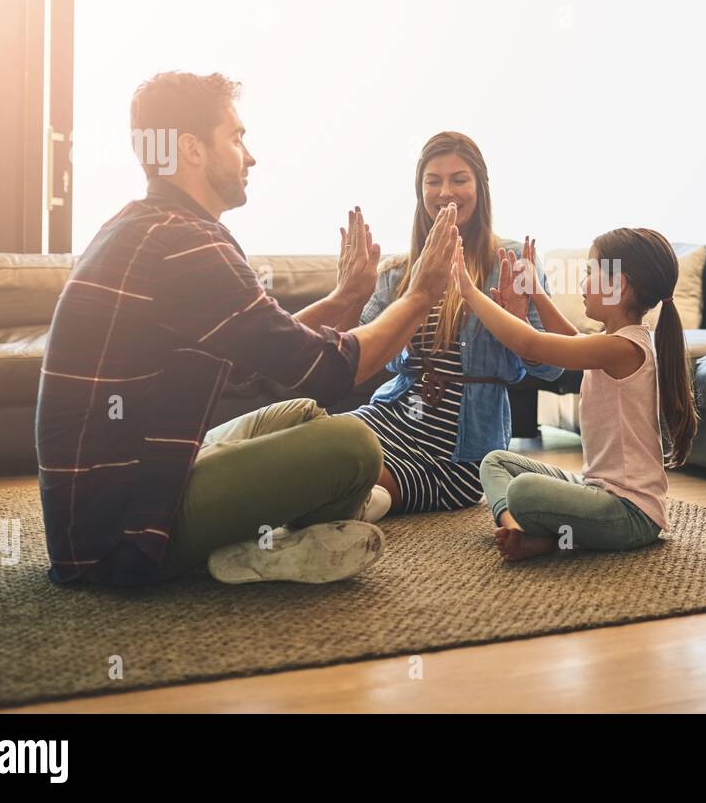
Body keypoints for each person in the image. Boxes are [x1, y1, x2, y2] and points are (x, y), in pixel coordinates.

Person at [35, 71, 458, 587]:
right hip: (120, 535)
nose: (249, 156)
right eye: (236, 138)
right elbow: (331, 372)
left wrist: (347, 298)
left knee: (299, 415)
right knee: (353, 445)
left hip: (124, 490)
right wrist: (420, 296)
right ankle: (267, 546)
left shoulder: (150, 225)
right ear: (191, 149)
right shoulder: (188, 245)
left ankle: (262, 543)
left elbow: (252, 361)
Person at [349, 132, 563, 519]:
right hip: (393, 417)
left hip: (460, 450)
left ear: (480, 187)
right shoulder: (398, 271)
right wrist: (350, 294)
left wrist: (516, 324)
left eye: (459, 179)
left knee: (352, 478)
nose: (446, 191)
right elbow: (359, 355)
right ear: (420, 191)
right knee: (313, 448)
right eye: (433, 181)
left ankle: (351, 508)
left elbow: (551, 368)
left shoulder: (510, 260)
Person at [452, 229, 698, 561]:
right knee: (495, 461)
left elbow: (530, 344)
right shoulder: (614, 343)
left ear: (617, 285)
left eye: (588, 273)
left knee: (523, 490)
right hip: (597, 491)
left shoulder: (622, 348)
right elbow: (570, 337)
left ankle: (542, 536)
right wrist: (536, 294)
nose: (582, 284)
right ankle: (519, 531)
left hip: (631, 515)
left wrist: (469, 291)